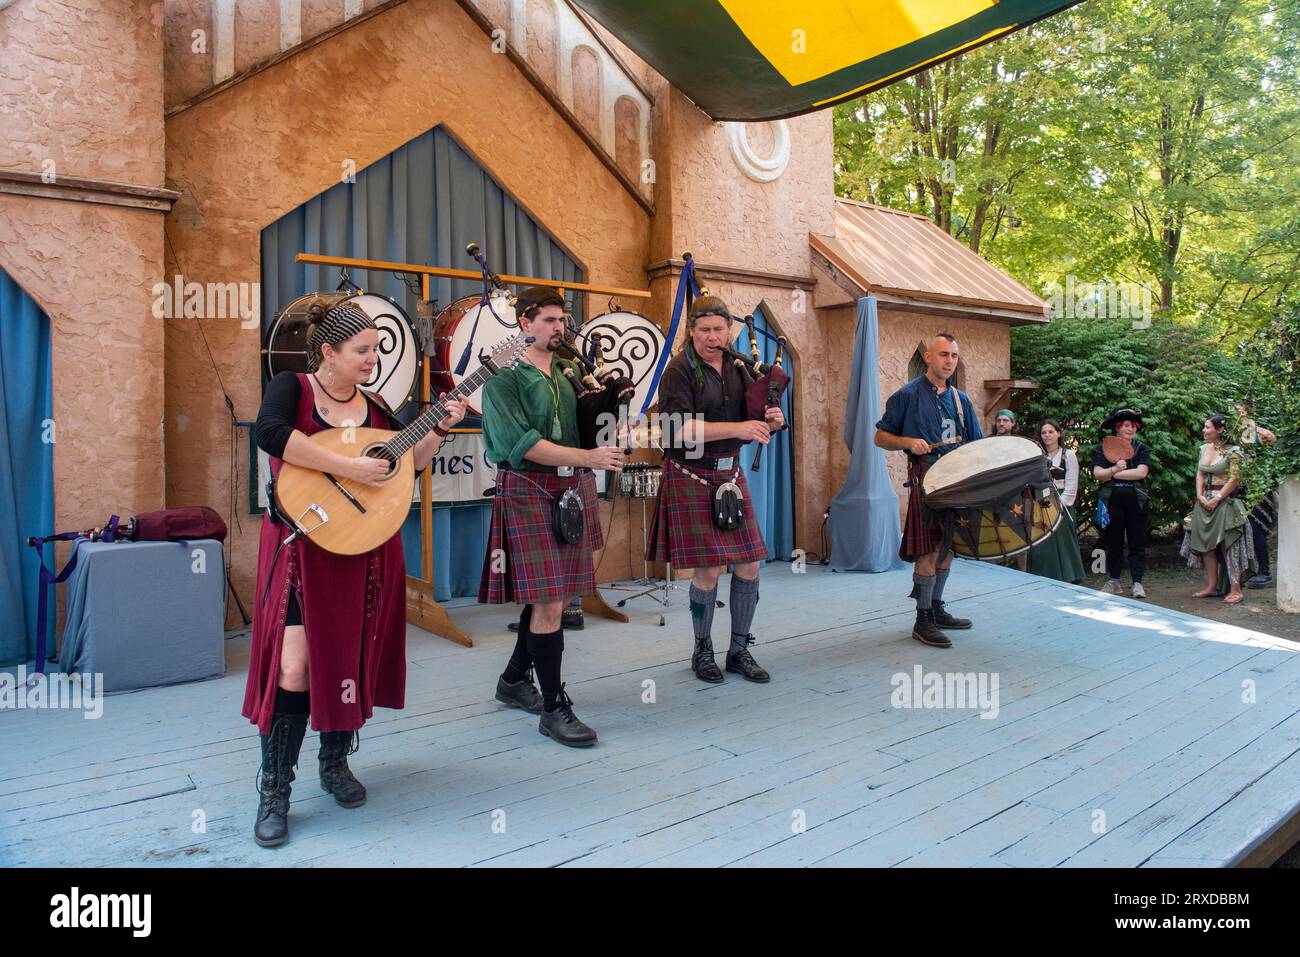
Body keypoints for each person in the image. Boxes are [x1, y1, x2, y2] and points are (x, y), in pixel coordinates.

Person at [246, 298, 466, 847]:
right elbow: (269, 434)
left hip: (363, 549)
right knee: (294, 667)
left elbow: (405, 463)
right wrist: (347, 467)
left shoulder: (376, 408)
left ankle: (335, 762)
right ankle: (275, 789)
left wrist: (439, 428)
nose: (372, 359)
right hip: (303, 548)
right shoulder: (292, 389)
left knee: (351, 653)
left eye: (375, 350)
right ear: (328, 351)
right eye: (362, 350)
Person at [478, 286, 624, 747]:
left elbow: (585, 424)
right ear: (524, 322)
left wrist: (611, 409)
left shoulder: (569, 370)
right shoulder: (503, 377)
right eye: (549, 320)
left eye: (562, 320)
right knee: (549, 601)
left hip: (570, 488)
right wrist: (590, 457)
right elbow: (523, 445)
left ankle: (513, 680)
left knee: (554, 597)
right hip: (528, 488)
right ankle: (554, 705)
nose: (559, 328)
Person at [647, 293, 784, 683]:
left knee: (750, 562)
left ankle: (739, 650)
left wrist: (769, 420)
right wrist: (739, 429)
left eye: (718, 329)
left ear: (729, 331)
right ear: (691, 332)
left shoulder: (739, 367)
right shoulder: (679, 370)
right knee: (707, 571)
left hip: (730, 475)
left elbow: (754, 416)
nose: (712, 337)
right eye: (704, 330)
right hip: (691, 474)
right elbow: (675, 428)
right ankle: (701, 649)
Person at [875, 332, 984, 647]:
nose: (949, 361)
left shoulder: (961, 401)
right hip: (927, 481)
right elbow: (880, 437)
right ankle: (922, 619)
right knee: (930, 549)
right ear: (928, 357)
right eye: (943, 355)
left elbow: (975, 446)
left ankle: (936, 608)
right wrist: (908, 442)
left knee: (949, 547)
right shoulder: (906, 396)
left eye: (953, 355)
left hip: (958, 483)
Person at [1182, 415, 1253, 604]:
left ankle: (1236, 590)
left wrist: (1218, 498)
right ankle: (1212, 586)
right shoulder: (1204, 448)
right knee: (1207, 546)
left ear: (1220, 430)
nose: (1204, 431)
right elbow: (1200, 472)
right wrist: (1199, 495)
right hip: (1204, 501)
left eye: (1207, 427)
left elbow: (1234, 478)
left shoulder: (1235, 451)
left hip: (1225, 502)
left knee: (1229, 544)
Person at [1090, 408, 1151, 599]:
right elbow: (1098, 474)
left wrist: (1113, 473)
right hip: (1112, 500)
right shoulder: (1103, 448)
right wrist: (1114, 468)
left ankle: (1137, 582)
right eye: (1126, 425)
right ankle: (1114, 580)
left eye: (1133, 425)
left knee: (1136, 541)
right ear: (1117, 427)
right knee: (1114, 541)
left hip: (1136, 500)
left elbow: (1141, 473)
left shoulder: (1141, 448)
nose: (1130, 428)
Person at [1027, 419, 1085, 584]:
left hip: (1062, 502)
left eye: (1051, 432)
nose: (1047, 436)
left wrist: (1060, 504)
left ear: (1058, 434)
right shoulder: (1039, 457)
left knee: (1062, 538)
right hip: (1042, 500)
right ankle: (1044, 575)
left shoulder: (1069, 455)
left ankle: (1068, 575)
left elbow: (1072, 484)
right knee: (1042, 538)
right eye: (1044, 432)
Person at [1237, 400, 1279, 589]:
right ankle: (1249, 568)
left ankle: (1265, 572)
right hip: (1239, 489)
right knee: (1242, 531)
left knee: (1257, 529)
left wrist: (1251, 426)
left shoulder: (1261, 433)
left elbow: (1272, 440)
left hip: (1259, 489)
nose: (1237, 412)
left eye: (1240, 408)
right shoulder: (1233, 434)